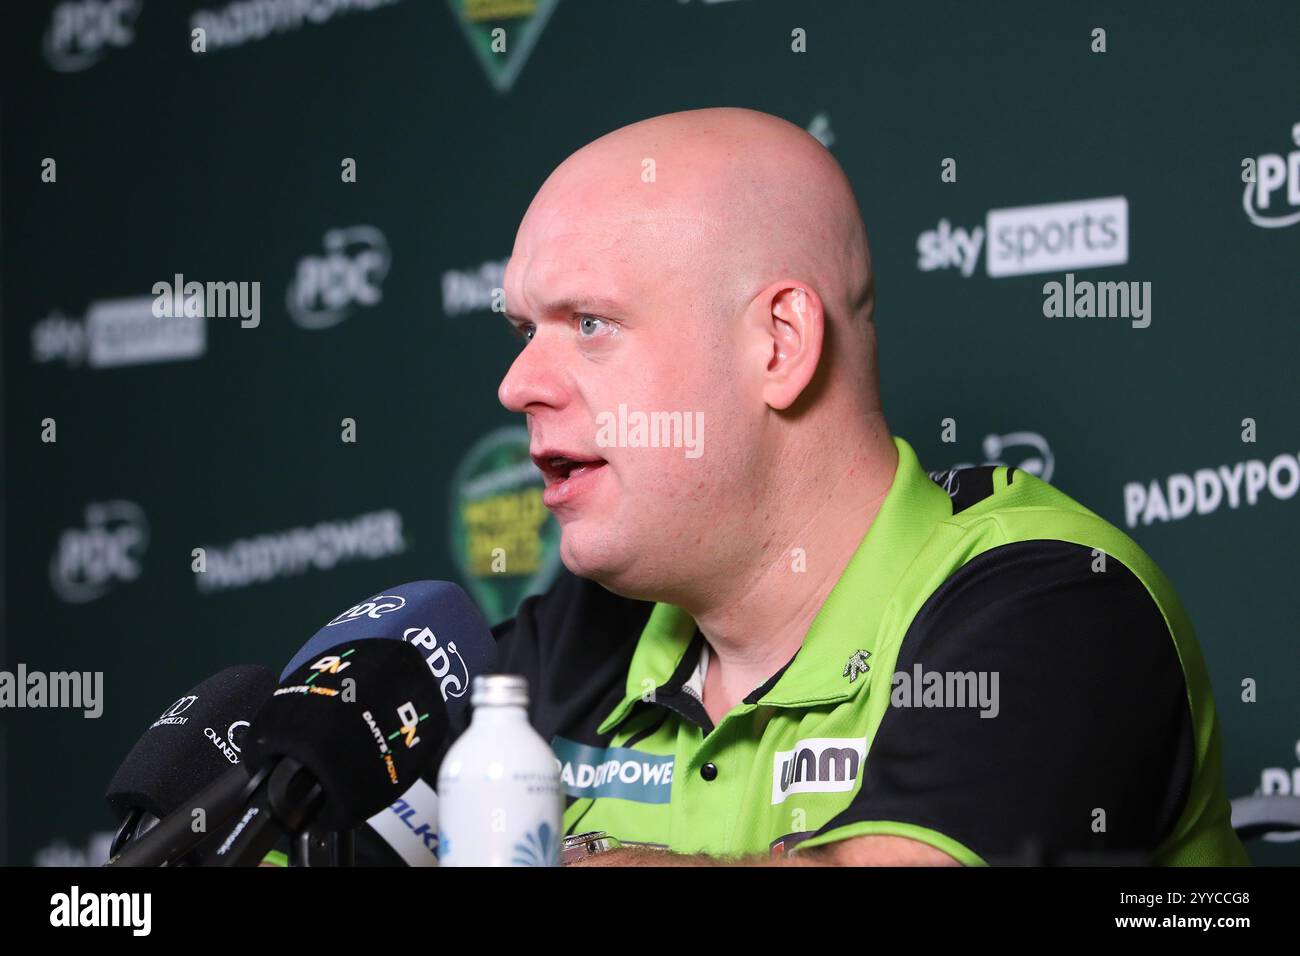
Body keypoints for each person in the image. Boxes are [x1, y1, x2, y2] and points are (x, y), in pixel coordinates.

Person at [488, 107, 1248, 866]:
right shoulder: (573, 640)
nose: (517, 385)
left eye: (589, 323)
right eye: (526, 332)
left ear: (780, 344)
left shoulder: (1062, 600)